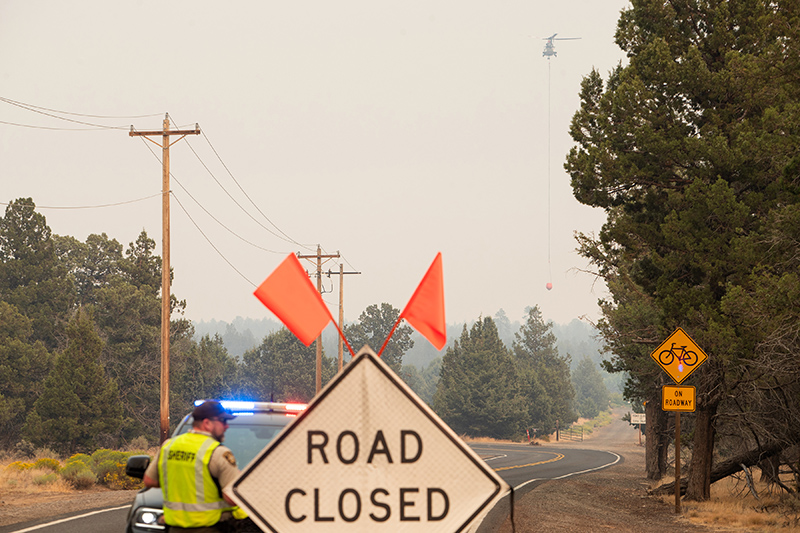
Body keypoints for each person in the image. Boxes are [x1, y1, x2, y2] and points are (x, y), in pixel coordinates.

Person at [143, 400, 248, 532]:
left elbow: (149, 480)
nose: (226, 426)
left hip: (174, 529)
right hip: (210, 528)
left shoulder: (168, 446)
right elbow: (232, 498)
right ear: (207, 423)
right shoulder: (218, 453)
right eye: (223, 421)